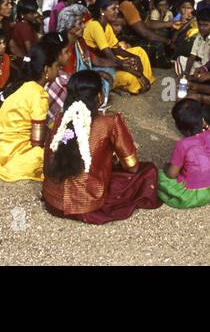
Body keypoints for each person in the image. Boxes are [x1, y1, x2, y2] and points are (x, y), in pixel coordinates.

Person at [43, 71, 160, 224]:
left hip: (53, 202)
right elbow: (132, 167)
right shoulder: (110, 121)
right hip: (87, 204)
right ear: (99, 96)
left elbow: (48, 159)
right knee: (148, 170)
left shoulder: (60, 119)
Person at [0, 42, 62, 182]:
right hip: (12, 151)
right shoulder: (39, 94)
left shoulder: (27, 87)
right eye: (57, 66)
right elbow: (37, 141)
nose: (59, 70)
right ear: (46, 69)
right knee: (49, 156)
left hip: (2, 146)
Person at [158, 98, 210, 209]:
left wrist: (166, 167)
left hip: (194, 196)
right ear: (202, 119)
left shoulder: (182, 145)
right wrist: (206, 126)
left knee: (160, 176)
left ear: (178, 126)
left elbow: (172, 174)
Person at [82, 0, 153, 93]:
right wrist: (137, 73)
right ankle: (139, 82)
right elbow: (111, 58)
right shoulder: (95, 25)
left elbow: (116, 49)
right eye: (113, 9)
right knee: (129, 76)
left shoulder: (106, 25)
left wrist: (135, 57)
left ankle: (144, 80)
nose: (116, 11)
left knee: (139, 51)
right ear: (102, 10)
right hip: (99, 66)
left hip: (108, 60)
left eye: (117, 8)